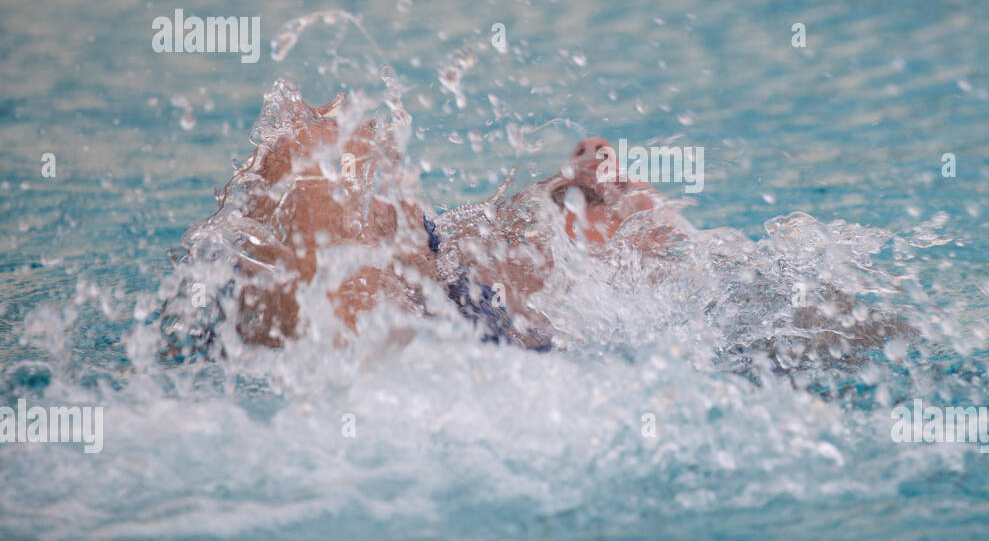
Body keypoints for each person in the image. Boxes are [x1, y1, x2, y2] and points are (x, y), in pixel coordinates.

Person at [224, 93, 678, 352]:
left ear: (650, 260)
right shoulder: (438, 253)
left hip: (365, 376)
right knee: (327, 143)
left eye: (615, 193)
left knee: (322, 150)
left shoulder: (606, 338)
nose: (595, 148)